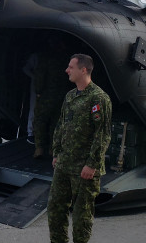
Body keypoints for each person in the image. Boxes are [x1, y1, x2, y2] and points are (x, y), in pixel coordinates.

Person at [48, 54, 112, 243]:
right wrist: (56, 152)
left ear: (83, 70)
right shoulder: (70, 96)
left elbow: (102, 134)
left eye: (71, 67)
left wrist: (92, 164)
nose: (67, 70)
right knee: (55, 208)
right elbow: (61, 125)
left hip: (84, 168)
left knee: (81, 216)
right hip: (64, 164)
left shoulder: (98, 98)